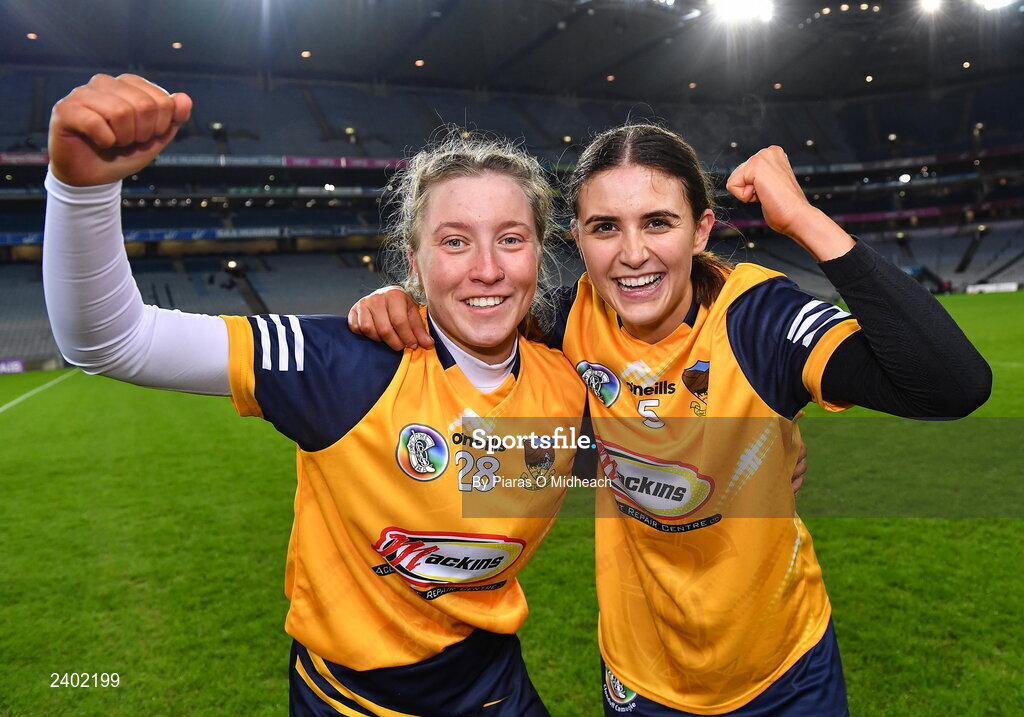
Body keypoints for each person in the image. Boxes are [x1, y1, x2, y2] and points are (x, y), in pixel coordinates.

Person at [348, 123, 991, 716]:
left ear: (702, 230)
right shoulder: (565, 321)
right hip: (643, 675)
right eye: (605, 227)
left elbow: (952, 386)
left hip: (785, 666)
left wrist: (803, 220)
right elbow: (477, 329)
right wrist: (400, 299)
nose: (632, 254)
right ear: (578, 239)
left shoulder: (757, 320)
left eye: (658, 222)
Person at [43, 73, 587, 716]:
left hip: (497, 687)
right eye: (454, 241)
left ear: (541, 252)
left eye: (511, 238)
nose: (488, 268)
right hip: (350, 699)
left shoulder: (574, 379)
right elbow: (113, 340)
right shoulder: (342, 368)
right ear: (414, 261)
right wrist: (81, 189)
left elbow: (701, 465)